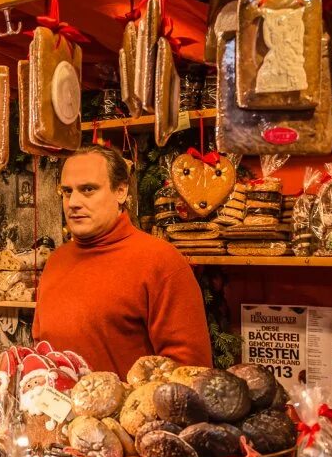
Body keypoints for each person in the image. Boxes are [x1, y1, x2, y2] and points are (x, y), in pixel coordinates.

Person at [32, 143, 212, 375]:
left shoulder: (160, 262)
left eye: (88, 189)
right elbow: (40, 346)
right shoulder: (56, 261)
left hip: (127, 410)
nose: (73, 202)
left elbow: (191, 370)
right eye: (67, 191)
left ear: (121, 191)